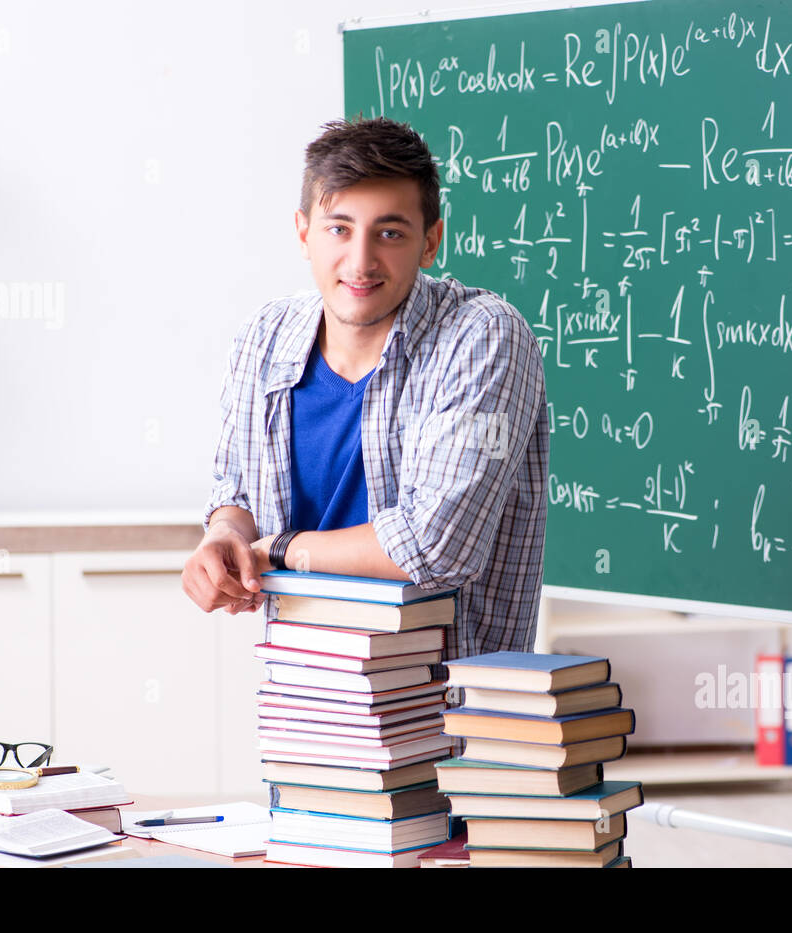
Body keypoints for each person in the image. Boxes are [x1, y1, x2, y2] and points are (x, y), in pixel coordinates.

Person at [181, 116, 548, 665]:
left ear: (431, 242)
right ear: (303, 233)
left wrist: (279, 549)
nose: (361, 261)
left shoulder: (483, 336)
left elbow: (435, 546)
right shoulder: (265, 336)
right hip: (303, 695)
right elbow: (234, 489)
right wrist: (224, 536)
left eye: (390, 232)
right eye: (339, 228)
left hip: (451, 713)